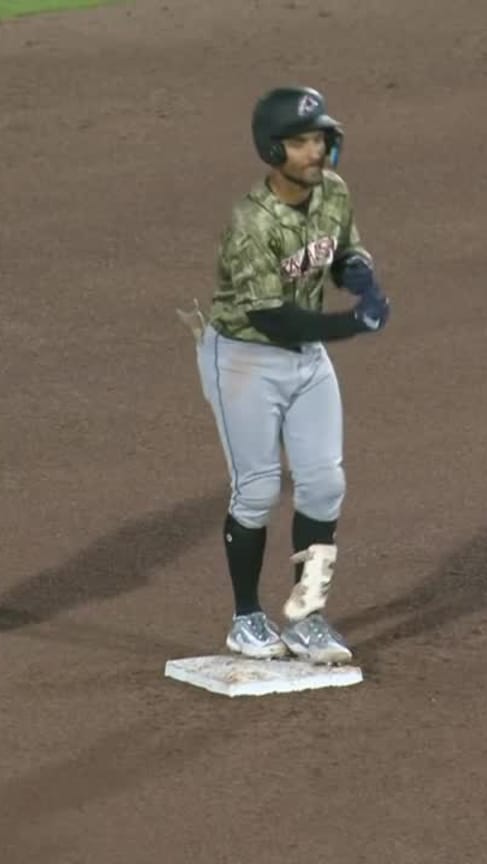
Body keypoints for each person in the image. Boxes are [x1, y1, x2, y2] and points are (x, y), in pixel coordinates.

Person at [186, 86, 391, 664]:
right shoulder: (251, 222)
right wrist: (352, 324)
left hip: (306, 357)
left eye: (320, 138)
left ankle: (307, 617)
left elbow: (345, 251)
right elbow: (270, 315)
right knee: (256, 491)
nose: (315, 150)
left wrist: (363, 280)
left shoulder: (333, 192)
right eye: (301, 141)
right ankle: (245, 618)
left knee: (324, 484)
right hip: (245, 359)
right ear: (273, 149)